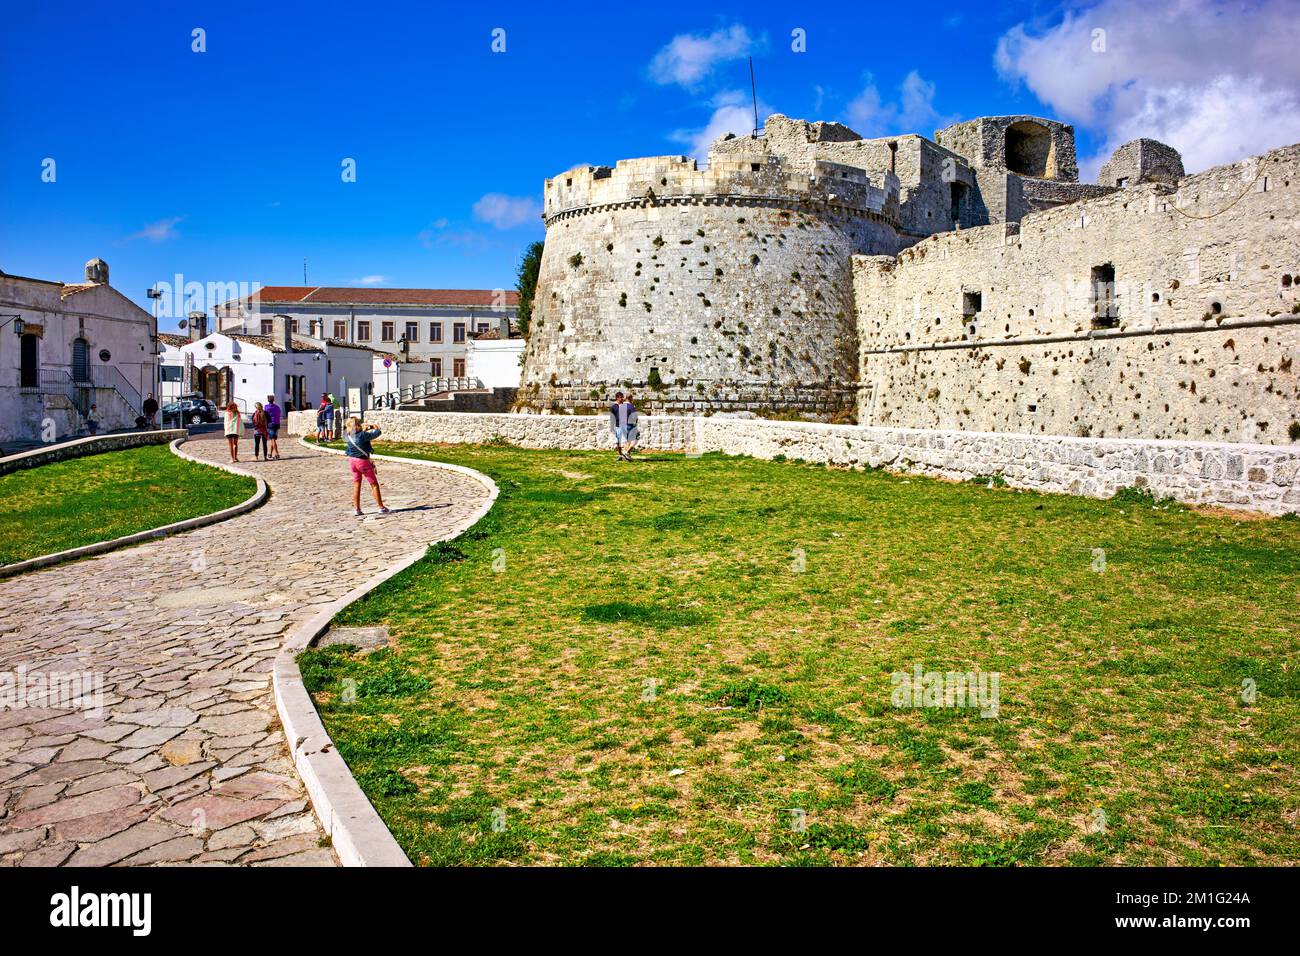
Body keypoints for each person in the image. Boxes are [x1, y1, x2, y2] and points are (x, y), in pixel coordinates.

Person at [344, 416, 389, 516]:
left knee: (356, 484)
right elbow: (378, 432)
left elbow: (356, 435)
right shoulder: (362, 435)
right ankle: (381, 507)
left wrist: (363, 429)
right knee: (374, 484)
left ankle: (357, 509)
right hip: (362, 462)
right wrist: (372, 426)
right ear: (357, 425)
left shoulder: (347, 435)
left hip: (352, 461)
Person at [608, 391, 627, 461]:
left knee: (627, 440)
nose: (622, 398)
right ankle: (620, 455)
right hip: (618, 426)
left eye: (622, 397)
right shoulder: (613, 407)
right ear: (617, 398)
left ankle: (627, 454)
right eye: (621, 397)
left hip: (625, 425)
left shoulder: (625, 406)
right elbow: (612, 417)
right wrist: (612, 427)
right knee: (618, 441)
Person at [264, 394, 282, 460]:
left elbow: (265, 415)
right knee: (273, 438)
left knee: (272, 439)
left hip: (270, 424)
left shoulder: (266, 407)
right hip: (277, 424)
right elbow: (279, 414)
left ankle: (277, 454)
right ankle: (270, 453)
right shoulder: (277, 407)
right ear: (273, 400)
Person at [623, 393, 640, 458]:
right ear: (630, 398)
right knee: (636, 439)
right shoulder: (631, 406)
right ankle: (627, 452)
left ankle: (628, 455)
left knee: (628, 440)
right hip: (630, 425)